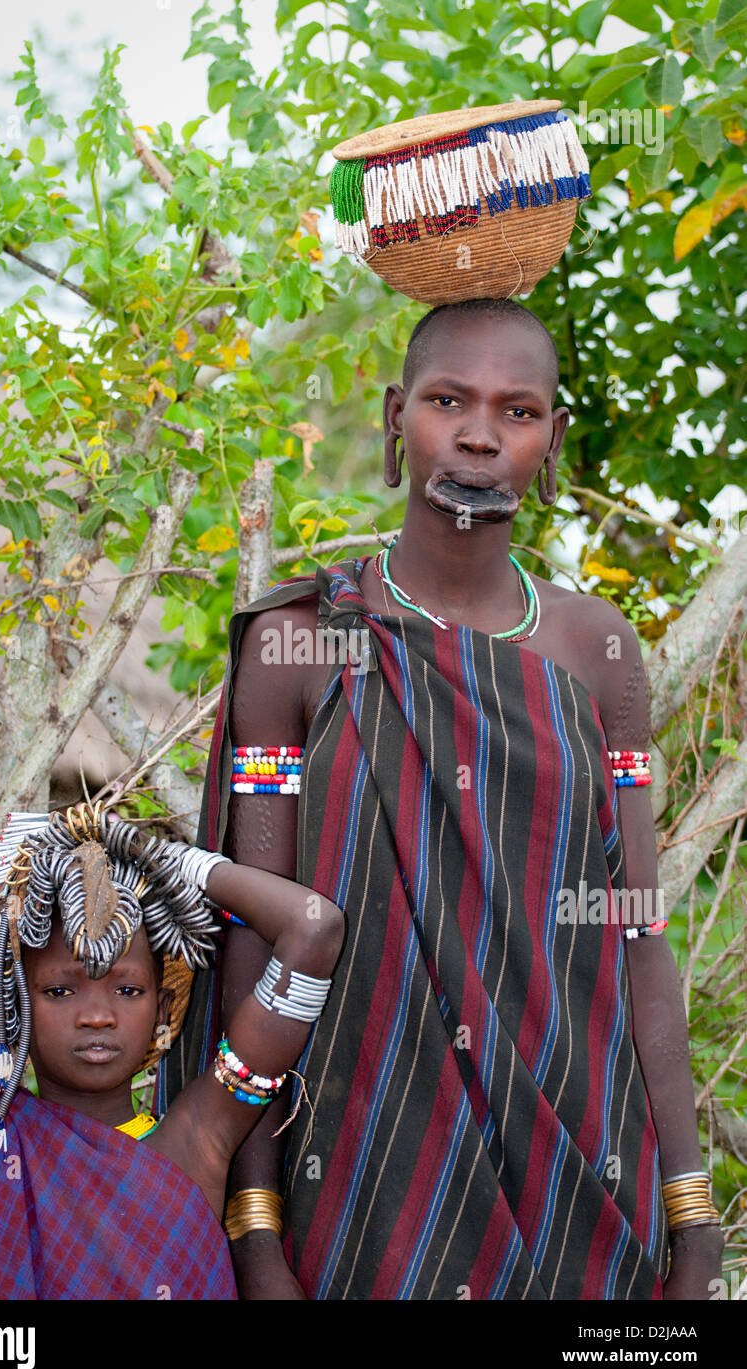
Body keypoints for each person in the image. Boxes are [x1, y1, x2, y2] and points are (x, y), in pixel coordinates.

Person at [170, 299, 724, 1300]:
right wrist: (254, 1224)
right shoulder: (300, 639)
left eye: (515, 411)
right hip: (357, 1163)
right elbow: (246, 940)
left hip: (579, 1172)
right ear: (394, 418)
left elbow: (636, 936)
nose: (476, 434)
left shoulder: (595, 651)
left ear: (551, 440)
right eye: (445, 400)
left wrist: (690, 1213)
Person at [0, 802, 343, 1299]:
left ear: (163, 1009)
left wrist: (160, 860)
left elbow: (314, 929)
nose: (97, 1016)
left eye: (128, 991)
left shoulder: (198, 1141)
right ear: (14, 1006)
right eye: (60, 991)